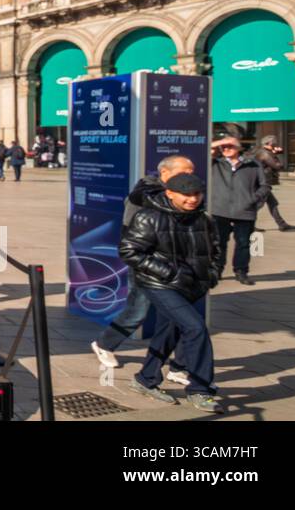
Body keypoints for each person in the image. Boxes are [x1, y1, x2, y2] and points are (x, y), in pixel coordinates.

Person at [119, 172, 223, 413]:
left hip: (192, 286)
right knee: (195, 328)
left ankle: (146, 379)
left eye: (197, 194)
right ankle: (201, 389)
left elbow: (216, 250)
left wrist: (212, 275)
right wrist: (168, 273)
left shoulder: (204, 218)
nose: (193, 199)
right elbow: (129, 251)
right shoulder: (148, 216)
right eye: (186, 195)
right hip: (158, 283)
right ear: (169, 193)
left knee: (170, 329)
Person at [92, 155, 195, 370]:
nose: (189, 177)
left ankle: (180, 367)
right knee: (138, 310)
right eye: (184, 172)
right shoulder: (144, 193)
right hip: (147, 262)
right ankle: (105, 343)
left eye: (191, 172)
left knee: (179, 316)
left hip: (174, 263)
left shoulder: (184, 194)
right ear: (165, 173)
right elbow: (132, 233)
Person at [209, 136, 270, 286]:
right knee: (219, 243)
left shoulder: (253, 164)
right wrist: (221, 142)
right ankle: (217, 270)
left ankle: (241, 271)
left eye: (230, 146)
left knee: (243, 243)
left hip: (245, 211)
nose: (226, 148)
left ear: (239, 147)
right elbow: (204, 149)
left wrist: (252, 200)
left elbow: (265, 186)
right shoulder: (215, 163)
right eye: (224, 146)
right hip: (219, 210)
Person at [254, 136, 295, 231]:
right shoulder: (265, 153)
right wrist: (275, 155)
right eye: (274, 143)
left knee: (273, 203)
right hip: (263, 183)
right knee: (258, 204)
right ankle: (247, 224)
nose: (276, 145)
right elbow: (278, 166)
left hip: (263, 182)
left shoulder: (263, 152)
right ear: (270, 144)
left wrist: (275, 153)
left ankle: (282, 224)